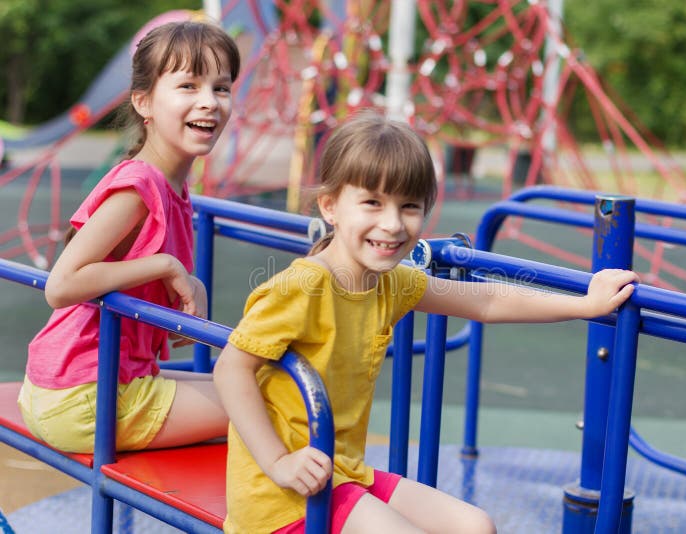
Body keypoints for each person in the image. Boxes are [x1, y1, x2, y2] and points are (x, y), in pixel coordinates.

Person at [213, 110, 639, 534]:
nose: (393, 223)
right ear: (330, 207)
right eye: (372, 203)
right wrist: (279, 462)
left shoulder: (390, 282)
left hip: (342, 472)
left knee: (476, 526)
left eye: (409, 206)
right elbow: (231, 367)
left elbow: (486, 299)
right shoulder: (305, 286)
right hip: (282, 497)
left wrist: (585, 304)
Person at [17, 20, 241, 454]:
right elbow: (61, 286)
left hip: (92, 379)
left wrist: (190, 287)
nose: (209, 102)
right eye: (189, 86)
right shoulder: (139, 187)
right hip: (83, 395)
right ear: (144, 102)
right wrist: (165, 265)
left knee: (246, 381)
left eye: (221, 88)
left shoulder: (173, 187)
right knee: (274, 400)